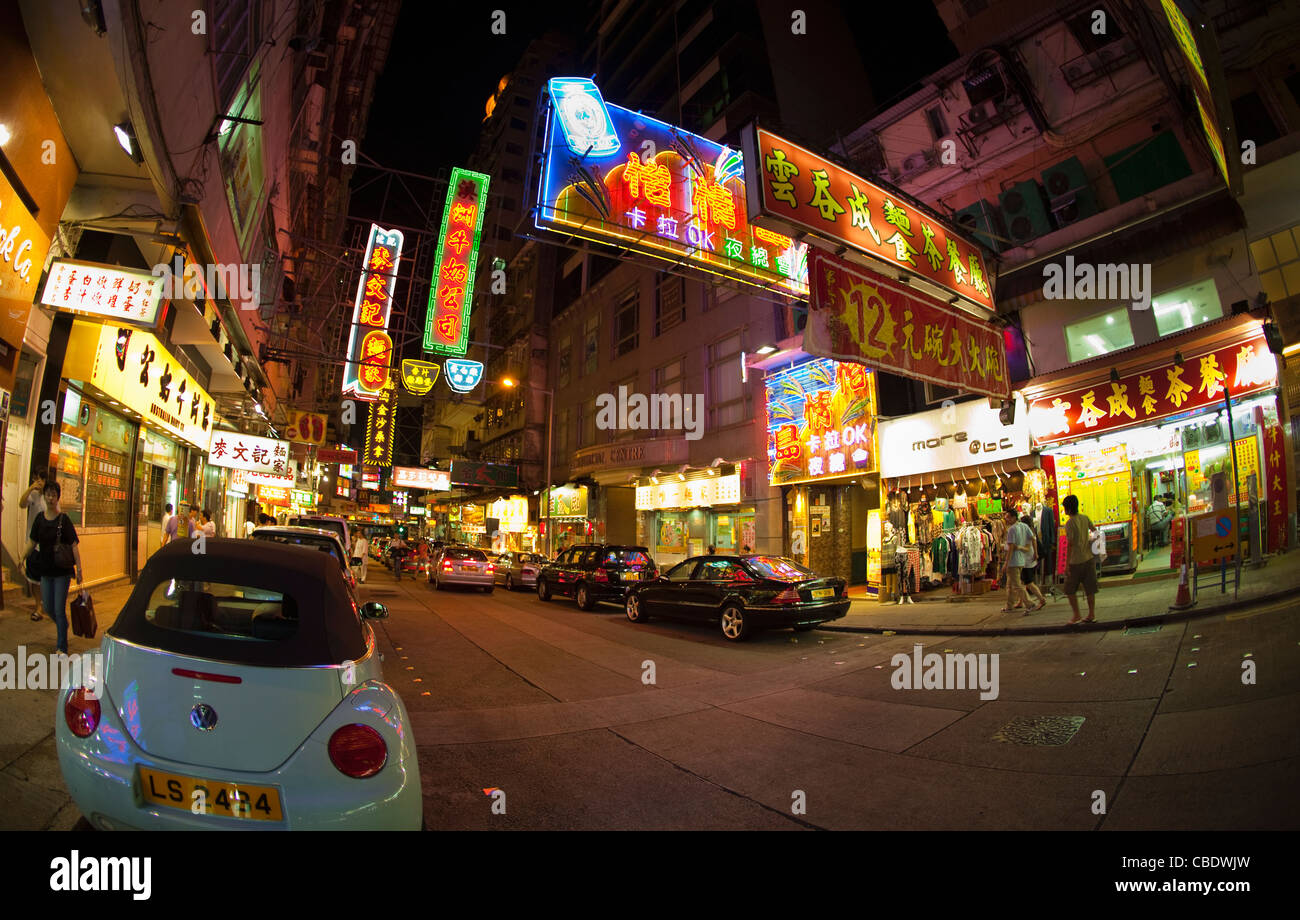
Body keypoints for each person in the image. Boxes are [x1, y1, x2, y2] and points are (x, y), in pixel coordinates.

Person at [22, 481, 83, 655]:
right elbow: (32, 542)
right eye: (47, 494)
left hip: (62, 572)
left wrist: (79, 569)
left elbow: (74, 545)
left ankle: (61, 647)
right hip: (45, 570)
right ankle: (63, 625)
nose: (50, 498)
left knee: (58, 609)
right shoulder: (40, 519)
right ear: (44, 496)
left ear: (58, 498)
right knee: (47, 607)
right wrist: (22, 557)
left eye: (53, 495)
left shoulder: (64, 520)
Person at [1063, 494, 1098, 624]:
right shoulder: (1085, 518)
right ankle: (1091, 614)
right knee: (1090, 588)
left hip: (1076, 561)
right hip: (1088, 558)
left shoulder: (1070, 523)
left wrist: (1066, 565)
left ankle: (1077, 614)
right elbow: (1095, 531)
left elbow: (1070, 544)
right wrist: (1089, 543)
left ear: (1068, 508)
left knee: (1069, 589)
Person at [19, 471, 48, 621]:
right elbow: (21, 504)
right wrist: (30, 488)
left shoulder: (50, 497)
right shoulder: (33, 496)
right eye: (35, 479)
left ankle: (46, 605)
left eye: (40, 479)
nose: (38, 482)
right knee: (34, 578)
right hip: (33, 543)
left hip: (47, 546)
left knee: (47, 578)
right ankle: (38, 607)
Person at [999, 510, 1033, 614]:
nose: (1006, 519)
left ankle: (1029, 603)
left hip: (1013, 561)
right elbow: (1031, 538)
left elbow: (1011, 547)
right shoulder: (1024, 526)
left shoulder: (1012, 529)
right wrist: (1025, 548)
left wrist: (1006, 563)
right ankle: (1009, 605)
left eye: (1008, 517)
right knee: (1009, 585)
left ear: (1014, 517)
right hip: (1021, 559)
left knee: (1017, 585)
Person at [1019, 514, 1048, 612]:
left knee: (1029, 582)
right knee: (1023, 582)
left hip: (1027, 559)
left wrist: (1035, 554)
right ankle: (1021, 601)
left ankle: (1041, 599)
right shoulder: (1030, 530)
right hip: (1028, 558)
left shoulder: (1027, 531)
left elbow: (1033, 542)